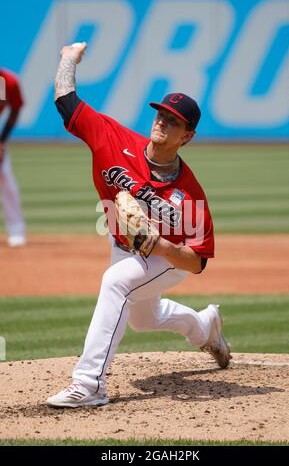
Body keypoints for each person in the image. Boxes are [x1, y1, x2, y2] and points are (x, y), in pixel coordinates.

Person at [46, 42, 231, 408]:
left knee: (115, 283)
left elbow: (198, 262)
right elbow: (65, 99)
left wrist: (161, 247)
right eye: (161, 113)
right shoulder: (112, 138)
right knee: (144, 319)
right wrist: (68, 57)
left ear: (187, 136)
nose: (163, 121)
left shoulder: (189, 193)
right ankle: (206, 327)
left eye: (173, 120)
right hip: (123, 247)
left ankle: (89, 385)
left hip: (168, 259)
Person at [0, 68, 26, 247]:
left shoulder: (8, 81)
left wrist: (2, 140)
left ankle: (16, 230)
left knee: (5, 180)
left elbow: (15, 108)